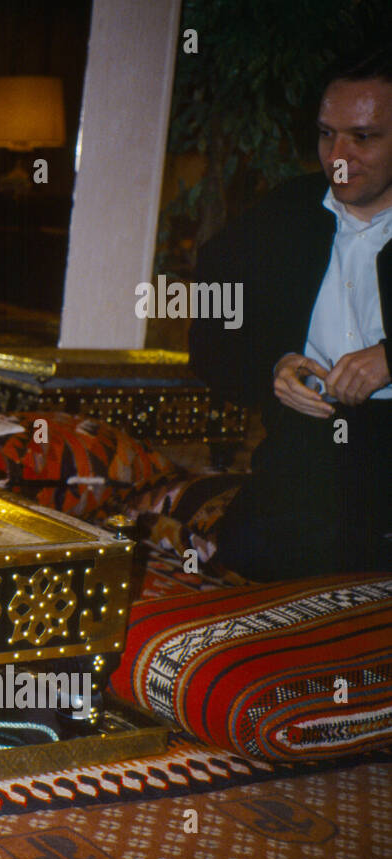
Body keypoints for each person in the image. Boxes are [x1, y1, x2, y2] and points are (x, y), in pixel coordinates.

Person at [190, 46, 392, 580]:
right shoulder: (287, 212)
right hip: (304, 457)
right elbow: (212, 324)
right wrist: (274, 365)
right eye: (327, 134)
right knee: (250, 557)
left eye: (363, 137)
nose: (339, 155)